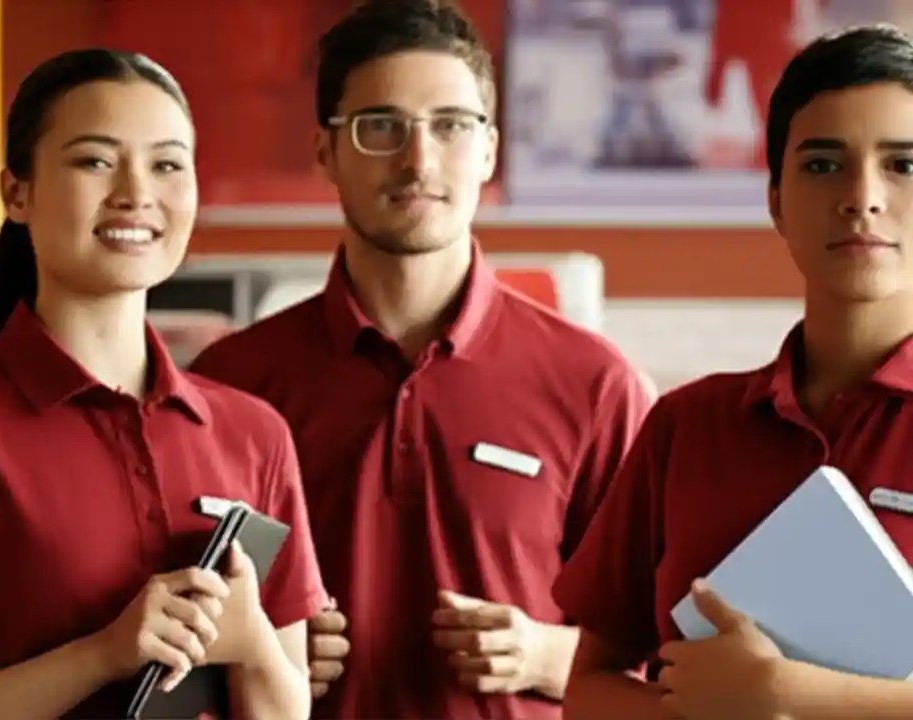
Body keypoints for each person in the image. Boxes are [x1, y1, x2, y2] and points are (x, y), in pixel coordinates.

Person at [188, 1, 651, 718]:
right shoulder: (230, 382)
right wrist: (261, 654)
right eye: (381, 126)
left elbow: (662, 656)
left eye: (451, 126)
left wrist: (544, 654)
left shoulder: (597, 385)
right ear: (325, 151)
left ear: (489, 150)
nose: (419, 160)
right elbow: (181, 640)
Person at [0, 48, 324, 720]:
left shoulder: (254, 433)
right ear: (16, 193)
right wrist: (103, 654)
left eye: (167, 164)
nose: (136, 192)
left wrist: (252, 642)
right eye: (95, 161)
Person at [557, 24, 913, 720]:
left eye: (904, 164)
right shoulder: (686, 426)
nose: (862, 196)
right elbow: (588, 689)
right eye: (822, 165)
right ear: (775, 201)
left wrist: (783, 695)